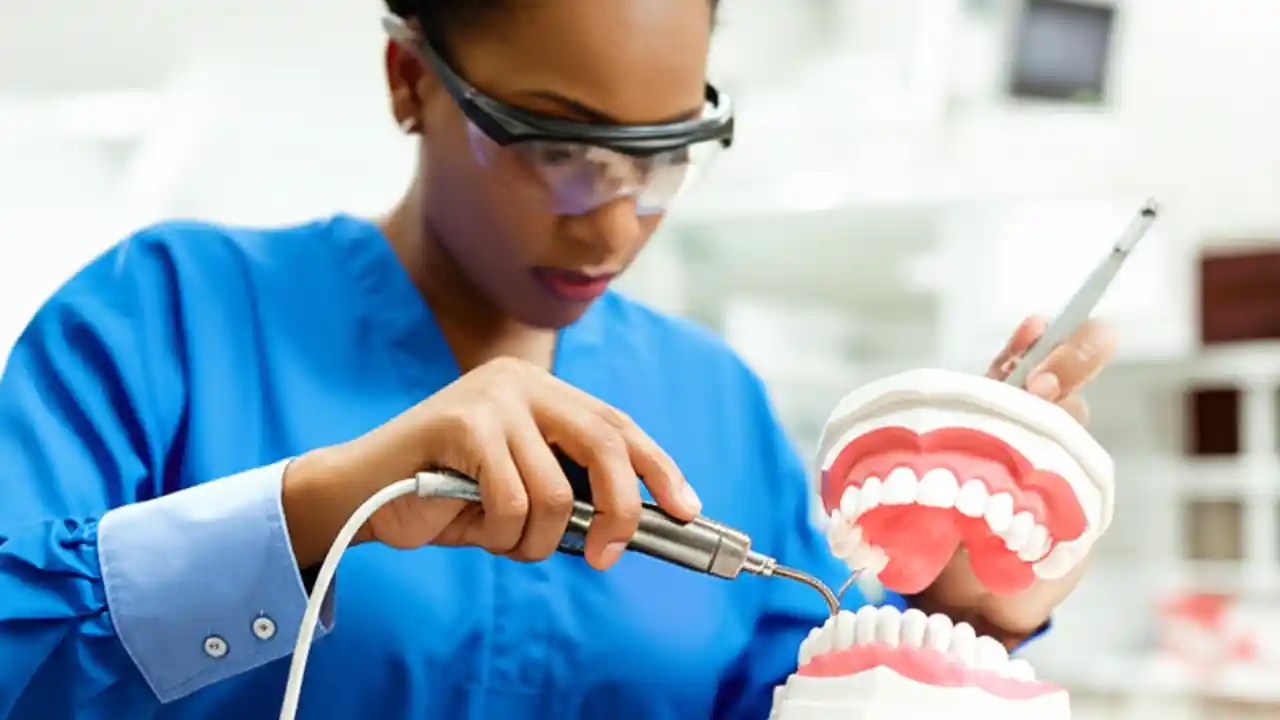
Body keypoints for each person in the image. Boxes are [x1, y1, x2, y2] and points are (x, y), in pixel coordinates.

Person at [0, 1, 1117, 718]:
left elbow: (786, 700)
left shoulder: (710, 401)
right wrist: (319, 508)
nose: (615, 224)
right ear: (408, 81)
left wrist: (965, 623)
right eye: (558, 151)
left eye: (665, 156)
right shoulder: (165, 317)